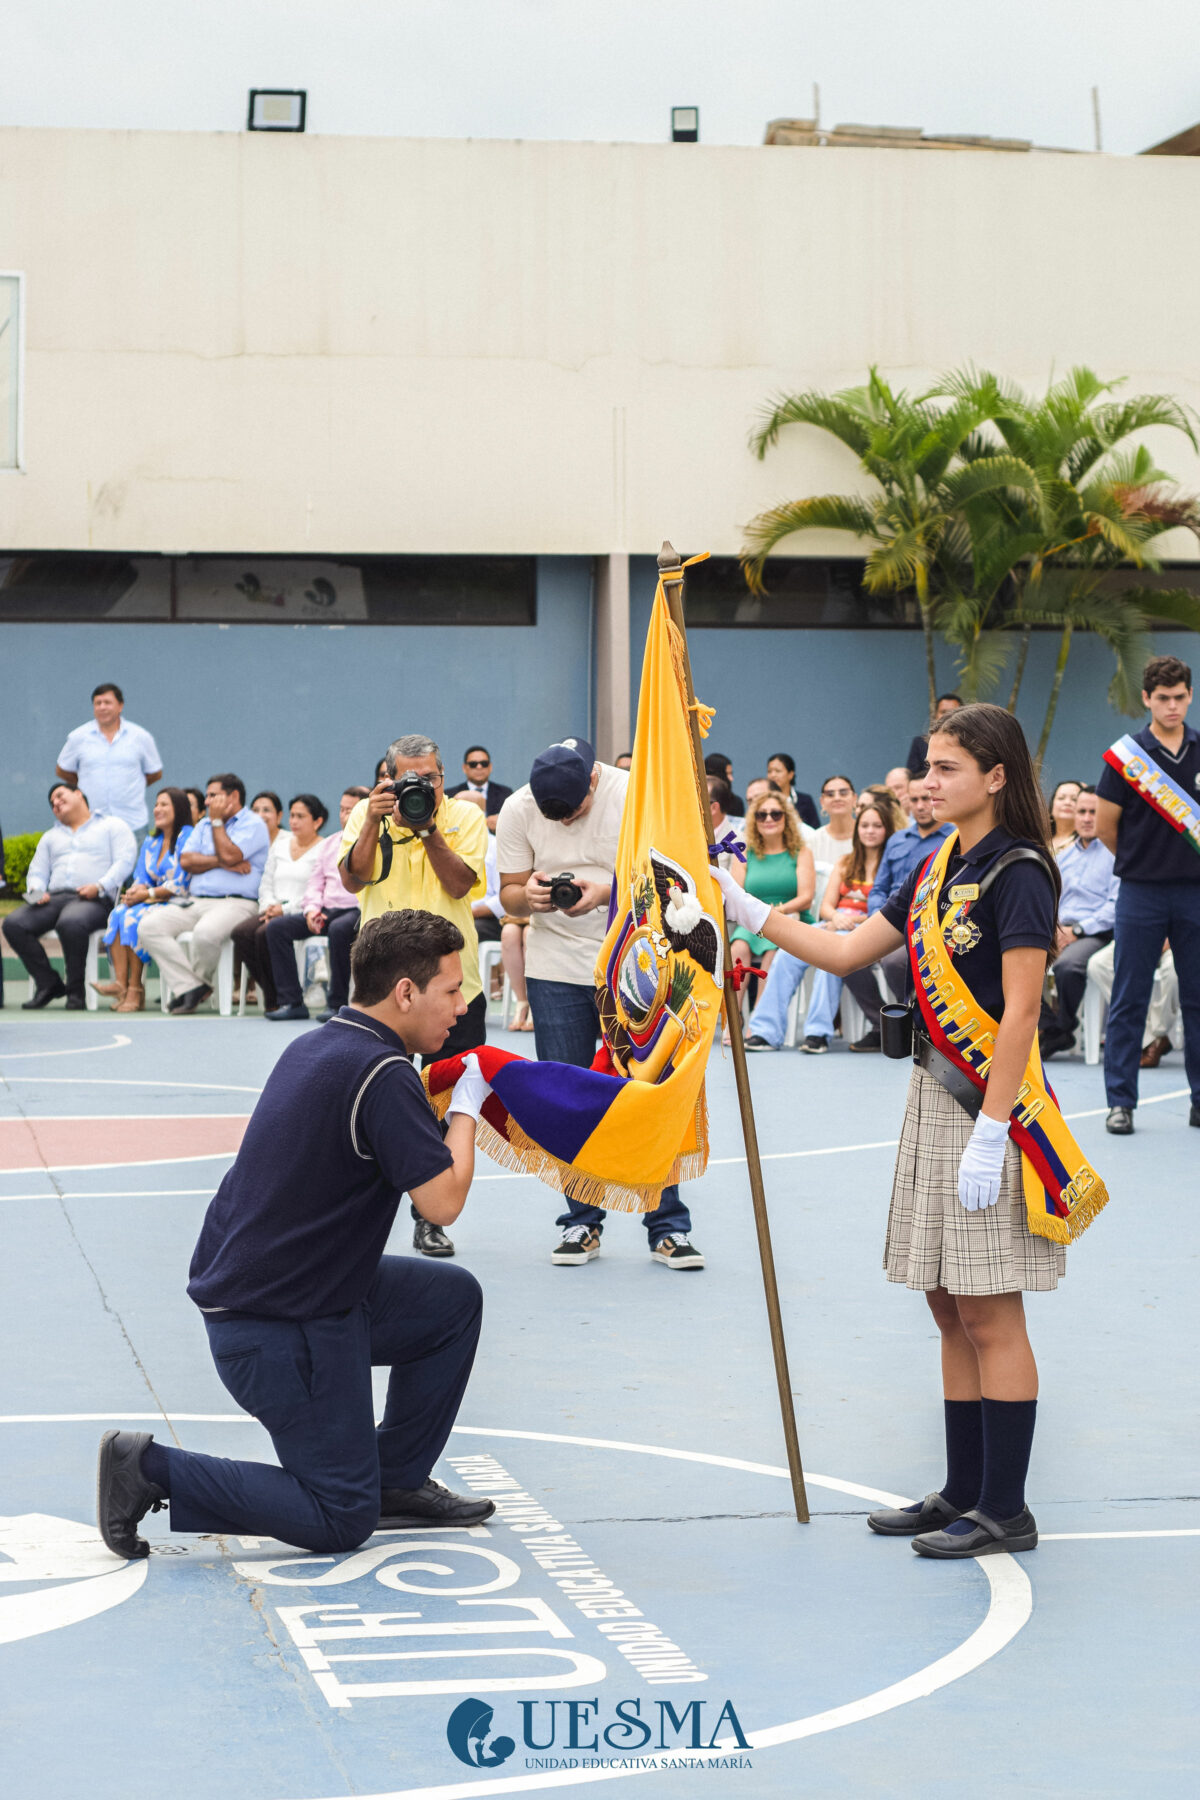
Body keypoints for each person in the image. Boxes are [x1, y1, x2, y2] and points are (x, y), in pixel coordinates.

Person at [718, 702, 1072, 1559]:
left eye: (948, 768)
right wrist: (741, 907)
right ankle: (963, 1488)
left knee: (992, 1312)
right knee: (947, 1303)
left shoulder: (1018, 870)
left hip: (989, 1103)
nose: (926, 782)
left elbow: (1021, 1012)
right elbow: (846, 954)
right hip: (931, 1092)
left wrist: (993, 1131)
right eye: (926, 767)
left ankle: (1006, 1507)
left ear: (996, 777)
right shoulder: (935, 860)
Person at [95, 911, 497, 1561]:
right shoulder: (383, 1074)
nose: (463, 1004)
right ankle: (149, 1467)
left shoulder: (327, 1042)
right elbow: (443, 1201)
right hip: (282, 1325)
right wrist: (468, 1110)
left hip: (285, 1293)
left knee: (451, 1302)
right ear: (404, 993)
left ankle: (392, 1479)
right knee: (339, 1517)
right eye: (450, 989)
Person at [497, 735, 704, 1270]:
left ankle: (668, 1226)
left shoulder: (635, 793)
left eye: (576, 811)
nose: (566, 824)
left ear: (594, 779)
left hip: (632, 960)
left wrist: (604, 891)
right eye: (555, 817)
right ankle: (581, 1222)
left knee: (648, 1086)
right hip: (555, 966)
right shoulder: (518, 809)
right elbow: (509, 891)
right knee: (566, 1092)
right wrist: (532, 896)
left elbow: (665, 874)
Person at [341, 734, 489, 1257]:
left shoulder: (465, 817)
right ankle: (367, 1213)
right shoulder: (366, 812)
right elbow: (354, 881)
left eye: (430, 778)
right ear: (387, 776)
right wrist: (371, 822)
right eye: (410, 778)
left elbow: (458, 885)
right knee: (377, 1099)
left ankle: (429, 1215)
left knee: (448, 1098)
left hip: (453, 985)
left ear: (443, 776)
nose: (420, 787)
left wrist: (428, 829)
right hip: (385, 988)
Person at [1095, 654, 1200, 1134]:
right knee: (1128, 997)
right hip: (1140, 893)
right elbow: (1105, 826)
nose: (1172, 706)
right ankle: (1121, 1102)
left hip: (1196, 893)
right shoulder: (1126, 756)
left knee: (1198, 998)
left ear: (1190, 696)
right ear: (1146, 699)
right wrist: (1143, 862)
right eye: (1163, 698)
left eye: (1180, 697)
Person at [138, 773, 270, 1015]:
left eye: (213, 795)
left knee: (205, 933)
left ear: (234, 796)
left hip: (236, 903)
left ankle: (194, 987)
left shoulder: (252, 824)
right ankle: (192, 987)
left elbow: (231, 855)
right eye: (207, 796)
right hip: (195, 901)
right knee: (149, 926)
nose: (207, 802)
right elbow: (186, 861)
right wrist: (222, 862)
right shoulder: (202, 825)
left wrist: (218, 825)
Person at [8, 784, 137, 1009]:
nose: (55, 803)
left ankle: (75, 992)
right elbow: (37, 871)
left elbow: (124, 861)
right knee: (13, 924)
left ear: (78, 794)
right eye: (51, 803)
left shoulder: (112, 826)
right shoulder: (51, 836)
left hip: (94, 899)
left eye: (59, 796)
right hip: (54, 898)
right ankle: (48, 983)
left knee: (71, 921)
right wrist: (37, 891)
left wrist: (99, 885)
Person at [265, 786, 370, 1023]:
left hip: (358, 910)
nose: (344, 816)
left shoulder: (375, 844)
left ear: (366, 811)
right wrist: (312, 910)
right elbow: (314, 884)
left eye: (351, 810)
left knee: (339, 929)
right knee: (276, 928)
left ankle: (337, 1004)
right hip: (326, 911)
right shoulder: (330, 844)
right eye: (342, 810)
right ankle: (292, 1001)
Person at [800, 800, 896, 1053]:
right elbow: (826, 906)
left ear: (888, 829)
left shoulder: (892, 864)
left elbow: (890, 912)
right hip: (834, 923)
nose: (870, 830)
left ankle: (817, 1033)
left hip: (867, 928)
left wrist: (849, 921)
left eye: (877, 825)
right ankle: (765, 1031)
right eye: (864, 825)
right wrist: (835, 918)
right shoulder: (845, 862)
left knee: (832, 952)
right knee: (787, 955)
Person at [94, 786, 193, 1012]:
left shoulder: (188, 836)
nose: (157, 809)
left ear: (179, 808)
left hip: (179, 902)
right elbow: (142, 876)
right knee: (120, 912)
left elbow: (182, 882)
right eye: (156, 804)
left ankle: (135, 989)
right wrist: (135, 891)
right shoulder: (152, 842)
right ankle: (122, 984)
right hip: (153, 900)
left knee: (133, 918)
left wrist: (147, 894)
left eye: (164, 804)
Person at [1037, 787, 1119, 1058]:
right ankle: (1052, 1028)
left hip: (1096, 933)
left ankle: (1063, 1026)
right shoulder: (1064, 854)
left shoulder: (1116, 853)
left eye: (1092, 812)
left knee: (1068, 967)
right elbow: (1050, 898)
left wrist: (1078, 930)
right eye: (1081, 812)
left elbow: (1115, 907)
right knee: (1012, 960)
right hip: (1059, 929)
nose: (1085, 818)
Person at [231, 795, 328, 1014]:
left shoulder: (324, 848)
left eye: (301, 816)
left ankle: (287, 999)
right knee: (241, 933)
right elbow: (266, 882)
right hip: (272, 909)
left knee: (264, 933)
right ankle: (273, 994)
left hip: (303, 911)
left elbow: (317, 890)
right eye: (292, 815)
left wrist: (284, 909)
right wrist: (269, 907)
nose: (294, 821)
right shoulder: (281, 846)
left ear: (317, 821)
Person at [869, 772, 955, 1006]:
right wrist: (875, 918)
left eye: (926, 799)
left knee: (894, 961)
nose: (920, 806)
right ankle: (884, 1024)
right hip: (890, 920)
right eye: (914, 800)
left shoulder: (954, 838)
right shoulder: (897, 839)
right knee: (849, 962)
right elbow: (878, 888)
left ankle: (917, 1016)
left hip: (929, 924)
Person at [727, 791, 816, 997]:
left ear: (786, 818)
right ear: (754, 820)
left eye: (776, 814)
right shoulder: (745, 852)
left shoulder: (801, 852)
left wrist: (777, 911)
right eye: (761, 815)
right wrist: (759, 913)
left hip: (789, 918)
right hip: (753, 920)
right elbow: (736, 893)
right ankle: (734, 1021)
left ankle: (759, 1024)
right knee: (737, 948)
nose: (768, 819)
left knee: (773, 953)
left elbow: (806, 898)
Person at [55, 682, 163, 838]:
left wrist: (133, 784)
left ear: (120, 706)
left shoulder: (140, 737)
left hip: (132, 822)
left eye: (107, 703)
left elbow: (155, 773)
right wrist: (83, 784)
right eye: (97, 703)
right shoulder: (78, 737)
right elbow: (62, 769)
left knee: (135, 862)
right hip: (91, 822)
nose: (102, 707)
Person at [1086, 939, 1179, 1066]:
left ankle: (1156, 1032)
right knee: (1098, 965)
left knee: (1175, 970)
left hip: (1176, 938)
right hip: (1137, 931)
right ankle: (1151, 1038)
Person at [446, 747, 513, 832]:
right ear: (464, 768)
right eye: (473, 764)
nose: (479, 767)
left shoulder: (505, 793)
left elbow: (514, 823)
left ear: (490, 767)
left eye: (484, 763)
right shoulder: (450, 795)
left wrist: (502, 823)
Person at [905, 693, 962, 776]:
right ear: (935, 715)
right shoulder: (920, 742)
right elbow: (912, 775)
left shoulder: (970, 741)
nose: (948, 715)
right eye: (943, 711)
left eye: (953, 711)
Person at [808, 774, 857, 866]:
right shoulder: (813, 841)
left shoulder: (867, 836)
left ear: (854, 798)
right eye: (830, 795)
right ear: (822, 802)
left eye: (843, 793)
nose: (837, 798)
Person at [766, 753, 820, 830]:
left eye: (778, 771)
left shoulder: (805, 800)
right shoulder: (764, 800)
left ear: (790, 775)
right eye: (769, 771)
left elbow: (815, 828)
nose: (773, 775)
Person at [1047, 779, 1083, 857]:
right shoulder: (1040, 840)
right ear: (1052, 804)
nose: (1067, 803)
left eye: (1074, 799)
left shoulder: (1085, 843)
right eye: (1061, 798)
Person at [704, 752, 743, 818]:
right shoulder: (694, 800)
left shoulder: (735, 804)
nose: (731, 779)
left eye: (731, 774)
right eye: (727, 774)